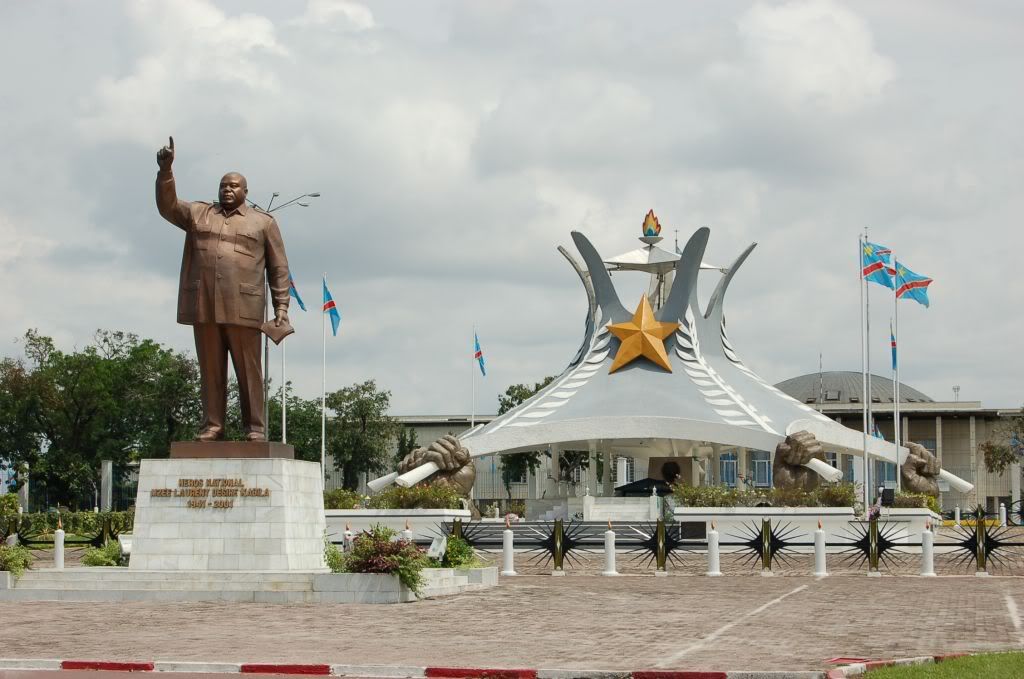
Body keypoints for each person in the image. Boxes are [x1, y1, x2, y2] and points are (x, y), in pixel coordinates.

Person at [155, 137, 290, 442]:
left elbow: (279, 268)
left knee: (249, 372)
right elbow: (168, 207)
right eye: (223, 185)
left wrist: (281, 308)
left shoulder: (263, 222)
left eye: (234, 186)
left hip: (244, 307)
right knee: (211, 372)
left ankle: (254, 427)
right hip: (205, 305)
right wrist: (166, 172)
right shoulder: (199, 214)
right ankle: (212, 426)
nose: (227, 189)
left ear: (245, 192)